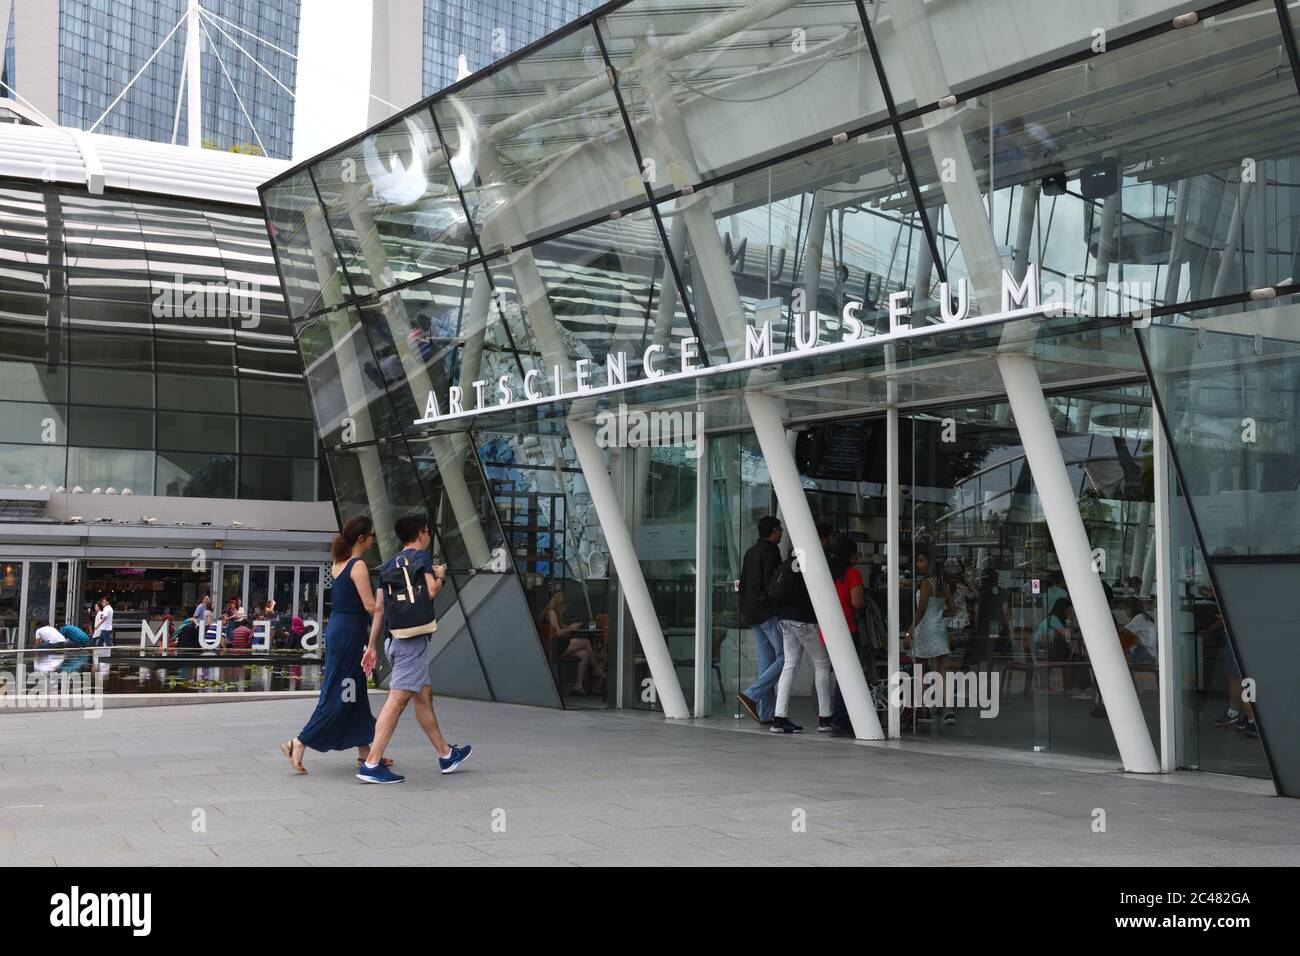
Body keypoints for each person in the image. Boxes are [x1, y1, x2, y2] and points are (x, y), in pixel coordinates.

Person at [358, 513, 472, 783]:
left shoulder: (388, 565)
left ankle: (446, 754)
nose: (429, 537)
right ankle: (372, 764)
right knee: (397, 701)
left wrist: (372, 646)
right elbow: (431, 591)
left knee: (423, 695)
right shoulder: (421, 559)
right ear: (421, 534)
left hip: (394, 638)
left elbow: (380, 610)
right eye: (428, 532)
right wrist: (440, 575)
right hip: (413, 641)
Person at [280, 515, 386, 775]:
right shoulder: (358, 565)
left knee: (354, 689)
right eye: (372, 535)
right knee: (340, 691)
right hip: (349, 633)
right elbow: (370, 606)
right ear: (361, 537)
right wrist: (393, 613)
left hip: (339, 630)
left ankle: (365, 752)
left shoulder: (339, 562)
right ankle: (300, 742)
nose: (374, 540)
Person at [770, 543, 835, 734]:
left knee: (789, 665)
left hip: (785, 620)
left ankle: (779, 719)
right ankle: (825, 718)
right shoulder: (811, 563)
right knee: (822, 663)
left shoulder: (786, 564)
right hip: (805, 620)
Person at [736, 515, 784, 726]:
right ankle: (750, 694)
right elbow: (774, 584)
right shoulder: (771, 552)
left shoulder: (750, 552)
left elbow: (743, 584)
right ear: (773, 530)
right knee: (785, 658)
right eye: (780, 529)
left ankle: (765, 714)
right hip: (768, 613)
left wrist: (746, 610)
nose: (781, 533)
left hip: (752, 613)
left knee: (766, 664)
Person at [907, 546, 956, 724]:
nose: (918, 564)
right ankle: (949, 710)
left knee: (921, 671)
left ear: (930, 563)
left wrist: (910, 631)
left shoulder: (926, 584)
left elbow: (920, 610)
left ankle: (925, 709)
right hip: (939, 630)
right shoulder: (945, 584)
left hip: (923, 631)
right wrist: (938, 615)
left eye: (921, 561)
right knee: (942, 672)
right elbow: (953, 610)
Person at [826, 534, 865, 736]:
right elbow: (857, 603)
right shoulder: (852, 574)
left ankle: (834, 716)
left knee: (838, 675)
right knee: (848, 676)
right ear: (851, 555)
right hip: (847, 630)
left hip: (828, 632)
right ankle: (840, 719)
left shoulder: (828, 573)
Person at [540, 592, 604, 696]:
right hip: (555, 646)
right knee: (586, 642)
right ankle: (596, 669)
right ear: (561, 604)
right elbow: (557, 633)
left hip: (556, 645)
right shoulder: (551, 613)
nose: (565, 609)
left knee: (585, 655)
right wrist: (571, 628)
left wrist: (569, 626)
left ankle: (578, 687)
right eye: (565, 606)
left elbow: (558, 628)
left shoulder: (551, 613)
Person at [1120, 597, 1157, 664]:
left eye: (1125, 609)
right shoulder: (1144, 616)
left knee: (1121, 660)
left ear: (1130, 609)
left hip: (1146, 652)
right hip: (1152, 652)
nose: (1125, 612)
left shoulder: (1138, 618)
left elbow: (1123, 631)